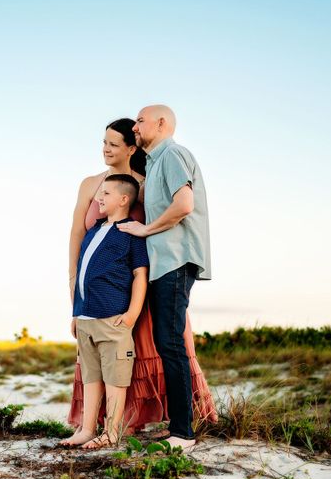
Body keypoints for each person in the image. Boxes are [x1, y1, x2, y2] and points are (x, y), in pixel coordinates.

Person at [62, 119, 216, 447]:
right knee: (99, 355)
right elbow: (77, 235)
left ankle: (156, 423)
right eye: (103, 142)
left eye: (113, 144)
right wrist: (74, 284)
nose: (105, 149)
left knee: (152, 348)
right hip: (96, 292)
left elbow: (172, 220)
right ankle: (99, 426)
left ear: (132, 148)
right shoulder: (91, 185)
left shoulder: (147, 184)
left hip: (141, 285)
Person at [118, 105, 212, 451]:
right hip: (164, 262)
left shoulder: (172, 153)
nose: (135, 126)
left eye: (140, 120)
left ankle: (184, 434)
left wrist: (146, 230)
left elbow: (184, 204)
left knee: (170, 343)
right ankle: (178, 426)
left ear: (161, 124)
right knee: (167, 342)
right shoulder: (155, 162)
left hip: (175, 259)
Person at [65, 174, 149, 449]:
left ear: (124, 199)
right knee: (90, 377)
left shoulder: (130, 233)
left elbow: (140, 274)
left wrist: (133, 313)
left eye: (106, 193)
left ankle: (111, 432)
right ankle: (87, 429)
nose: (99, 197)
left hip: (113, 319)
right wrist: (76, 313)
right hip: (86, 317)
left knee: (115, 378)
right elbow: (82, 272)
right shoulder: (94, 230)